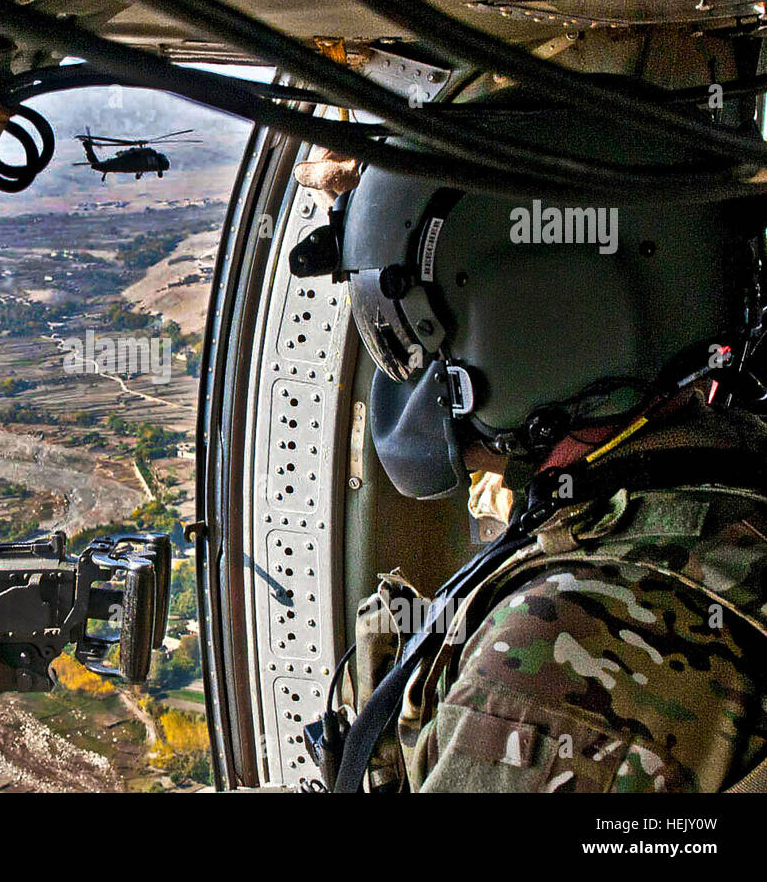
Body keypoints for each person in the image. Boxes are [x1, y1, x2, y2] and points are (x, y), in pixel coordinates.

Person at [319, 103, 767, 793]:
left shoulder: (559, 654)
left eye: (409, 329)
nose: (409, 368)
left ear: (531, 305)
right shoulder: (721, 493)